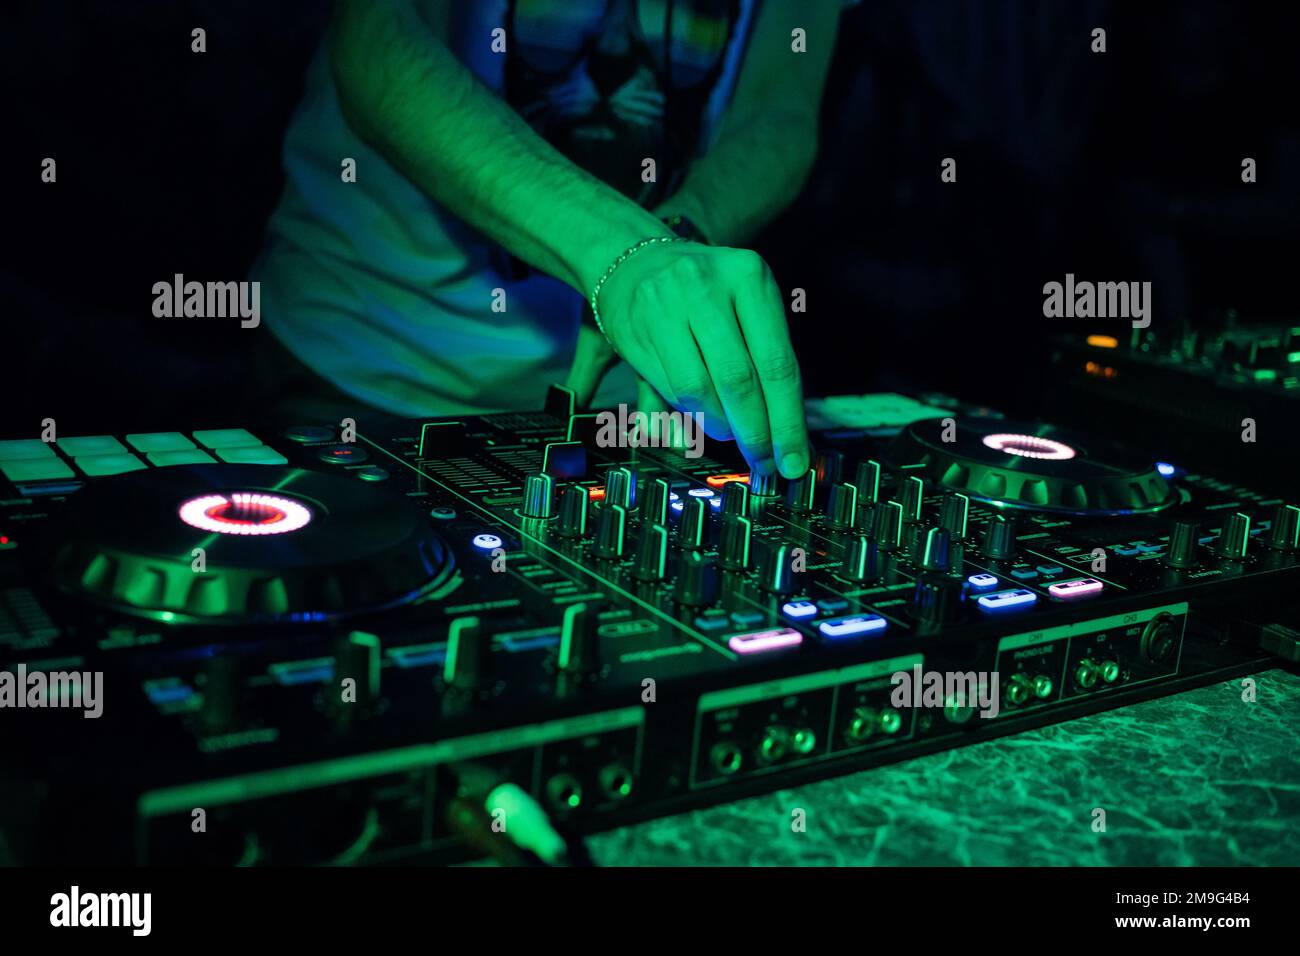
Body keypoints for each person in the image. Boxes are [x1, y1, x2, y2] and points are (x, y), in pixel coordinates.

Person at [252, 0, 847, 479]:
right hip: (367, 365)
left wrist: (674, 240)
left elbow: (780, 112)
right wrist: (628, 255)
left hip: (632, 405)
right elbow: (375, 49)